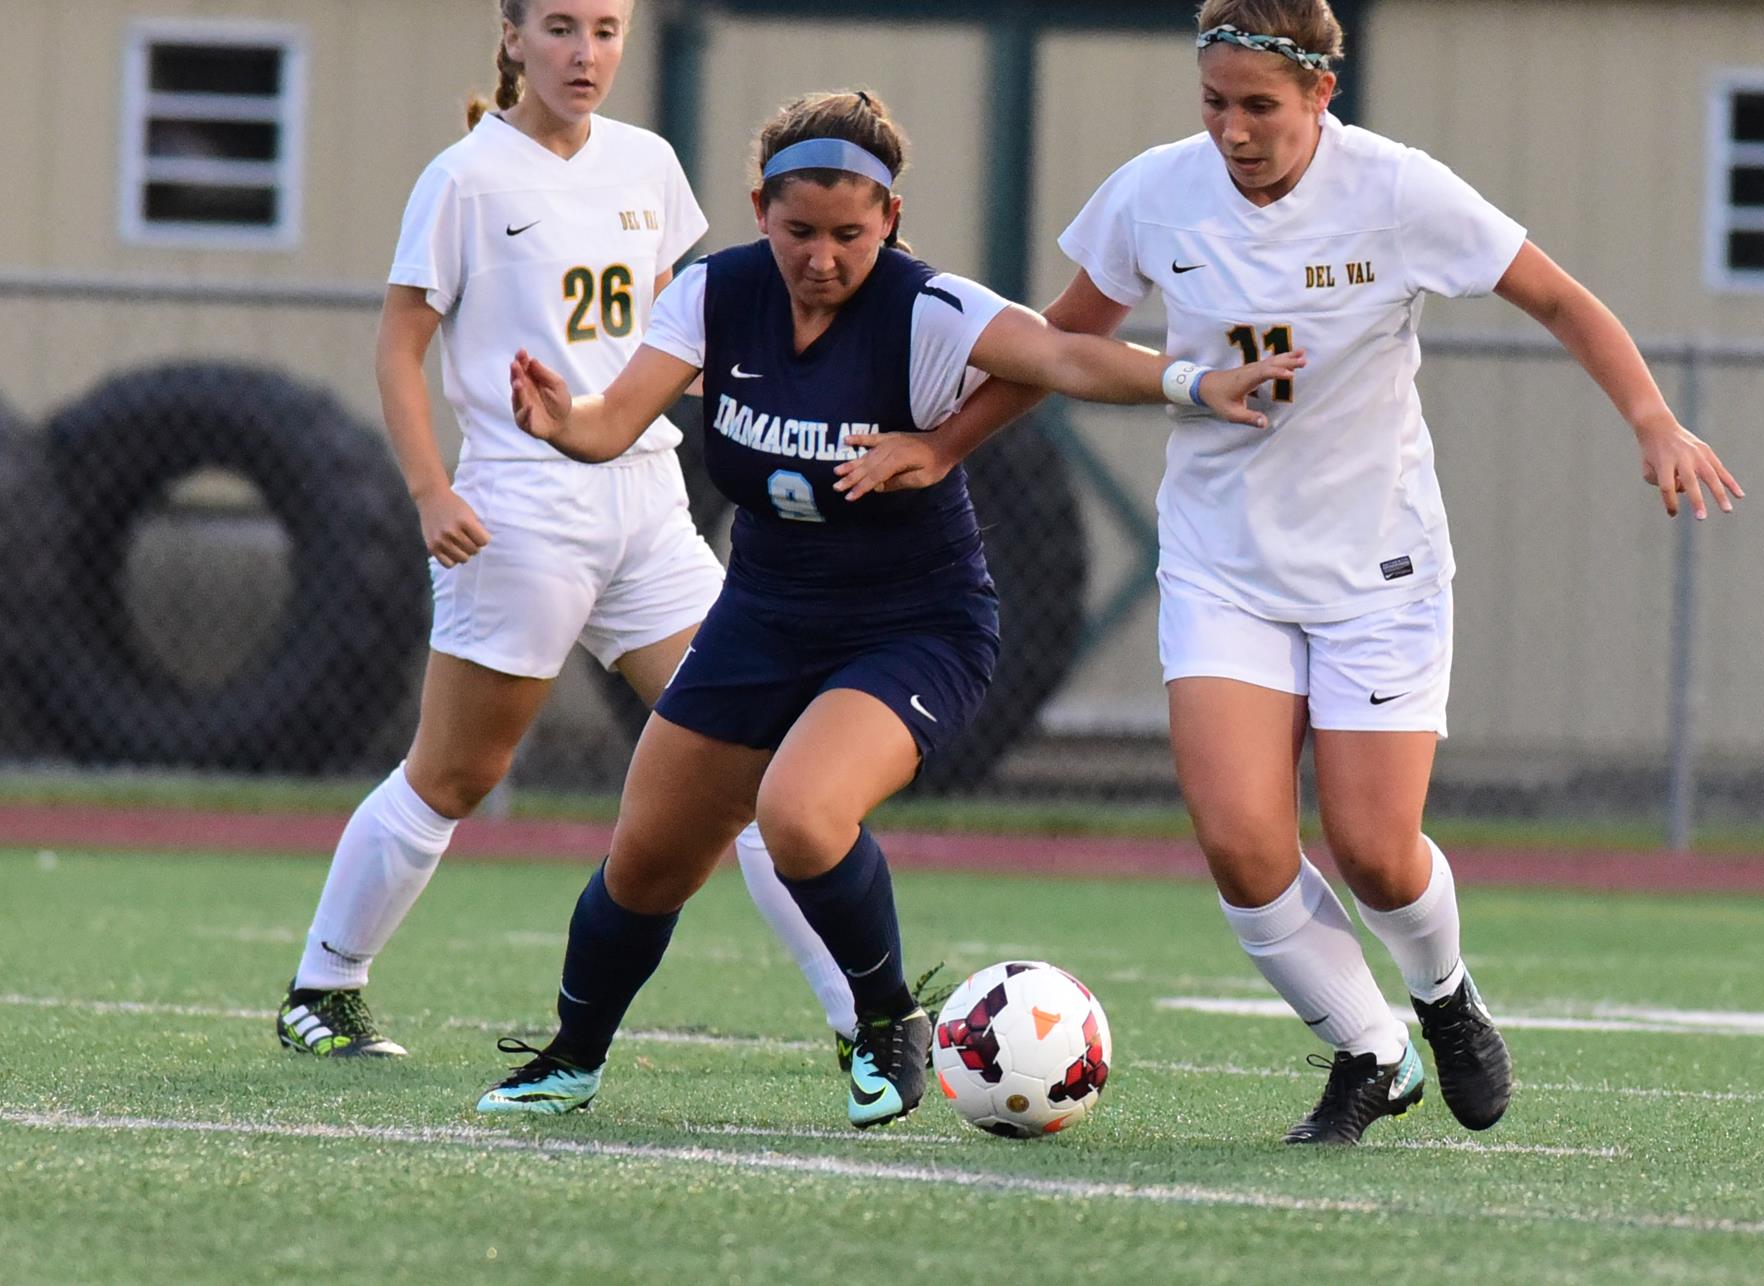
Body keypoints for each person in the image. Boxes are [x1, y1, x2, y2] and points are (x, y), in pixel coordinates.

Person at [836, 0, 1743, 1145]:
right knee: (1241, 840)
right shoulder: (1154, 195)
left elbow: (1558, 299)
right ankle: (1367, 1051)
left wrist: (1651, 419)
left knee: (1373, 850)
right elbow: (1058, 347)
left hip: (1377, 568)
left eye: (1258, 104)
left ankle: (1444, 997)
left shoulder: (1397, 189)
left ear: (1321, 89)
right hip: (1221, 563)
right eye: (1214, 101)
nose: (1231, 130)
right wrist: (942, 445)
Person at [473, 90, 1294, 1127]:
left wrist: (1191, 382)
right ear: (758, 209)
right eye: (798, 231)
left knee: (802, 813)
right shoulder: (712, 294)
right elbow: (608, 426)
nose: (821, 257)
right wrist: (562, 421)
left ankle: (885, 1019)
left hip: (915, 623)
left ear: (891, 218)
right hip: (763, 614)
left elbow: (1063, 354)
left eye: (848, 235)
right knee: (645, 854)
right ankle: (571, 1059)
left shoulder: (926, 309)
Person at [275, 0, 854, 1062]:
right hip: (522, 510)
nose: (584, 52)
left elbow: (690, 326)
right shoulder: (466, 178)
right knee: (456, 773)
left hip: (645, 503)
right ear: (512, 38)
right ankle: (321, 986)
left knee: (759, 759)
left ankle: (866, 1019)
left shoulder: (645, 162)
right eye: (559, 28)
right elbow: (401, 343)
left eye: (604, 31)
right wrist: (428, 488)